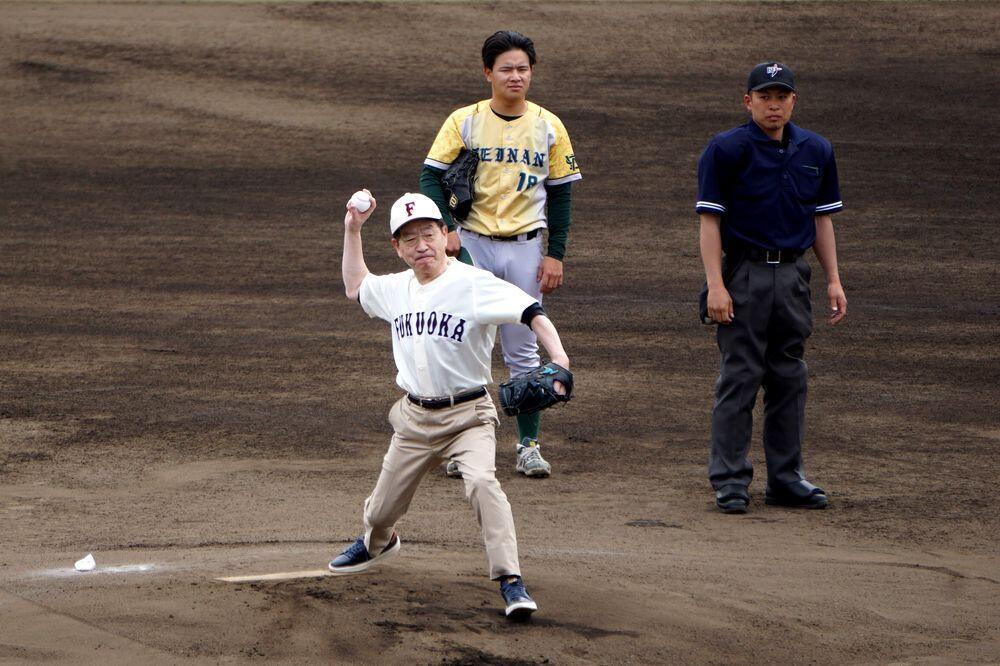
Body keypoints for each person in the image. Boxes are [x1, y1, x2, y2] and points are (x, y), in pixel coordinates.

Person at [329, 190, 571, 620]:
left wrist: (560, 358)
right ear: (398, 249)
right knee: (381, 511)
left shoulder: (473, 284)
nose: (420, 245)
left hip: (469, 416)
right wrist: (352, 229)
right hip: (414, 419)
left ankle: (510, 580)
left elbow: (531, 311)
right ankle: (377, 542)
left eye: (428, 233)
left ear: (446, 235)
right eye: (409, 239)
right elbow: (355, 285)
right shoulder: (395, 289)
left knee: (482, 484)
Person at [419, 30, 582, 479]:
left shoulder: (549, 125)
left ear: (532, 73)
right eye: (506, 68)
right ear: (488, 72)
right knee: (461, 344)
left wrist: (556, 254)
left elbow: (561, 195)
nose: (515, 76)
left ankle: (528, 446)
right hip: (471, 245)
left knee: (523, 350)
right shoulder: (465, 121)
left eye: (523, 68)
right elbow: (430, 177)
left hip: (526, 249)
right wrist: (447, 229)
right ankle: (460, 447)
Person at [696, 61, 848, 514]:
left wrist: (833, 279)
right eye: (764, 96)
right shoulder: (726, 149)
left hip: (794, 276)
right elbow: (710, 221)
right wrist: (715, 285)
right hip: (744, 274)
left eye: (781, 96)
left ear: (793, 101)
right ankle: (730, 480)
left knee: (789, 376)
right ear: (748, 101)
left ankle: (786, 478)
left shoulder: (816, 150)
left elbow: (821, 218)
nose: (773, 104)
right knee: (740, 375)